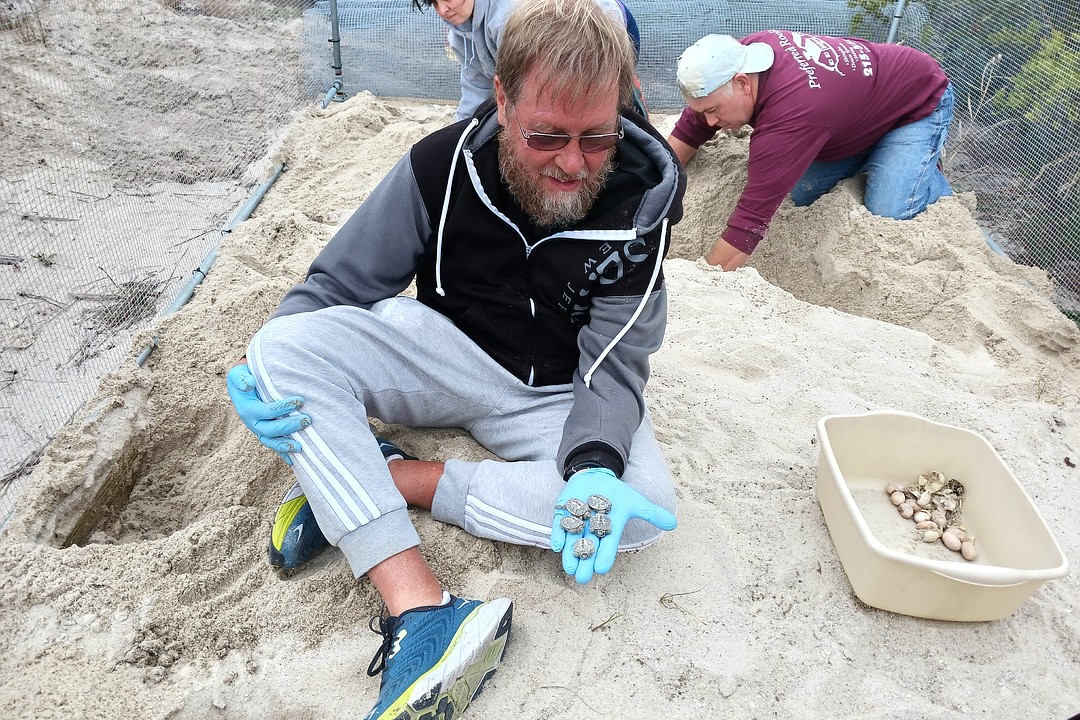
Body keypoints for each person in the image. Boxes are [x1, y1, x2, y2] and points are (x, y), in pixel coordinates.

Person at [226, 0, 685, 717]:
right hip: (446, 354)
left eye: (597, 136)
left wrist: (593, 466)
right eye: (547, 135)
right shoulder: (439, 165)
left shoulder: (644, 203)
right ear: (501, 98)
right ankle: (424, 610)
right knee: (280, 349)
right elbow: (336, 285)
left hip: (557, 393)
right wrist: (264, 365)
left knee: (640, 513)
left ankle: (378, 478)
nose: (573, 162)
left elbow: (615, 365)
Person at [667, 31, 955, 270]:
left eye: (714, 111)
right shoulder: (740, 57)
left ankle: (925, 171)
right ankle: (878, 150)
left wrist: (703, 278)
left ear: (742, 83)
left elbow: (749, 222)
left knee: (889, 210)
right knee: (802, 193)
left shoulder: (790, 118)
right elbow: (690, 129)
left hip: (917, 101)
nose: (710, 122)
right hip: (854, 112)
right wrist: (658, 179)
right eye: (704, 112)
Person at [412, 0, 649, 120]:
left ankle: (630, 96)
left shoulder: (508, 17)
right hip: (551, 46)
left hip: (610, 25)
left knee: (598, 98)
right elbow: (475, 85)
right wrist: (461, 134)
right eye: (433, 2)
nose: (443, 9)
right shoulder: (459, 32)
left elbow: (530, 86)